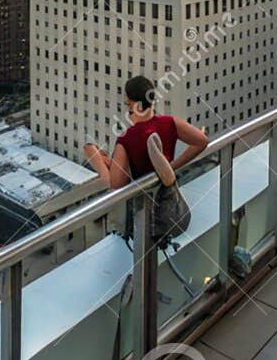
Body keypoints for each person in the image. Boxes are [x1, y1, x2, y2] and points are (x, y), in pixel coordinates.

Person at [84, 76, 208, 245]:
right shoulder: (170, 123)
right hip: (171, 207)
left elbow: (117, 184)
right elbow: (202, 141)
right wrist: (173, 166)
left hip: (143, 220)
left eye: (128, 104)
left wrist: (100, 163)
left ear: (135, 105)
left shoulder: (126, 139)